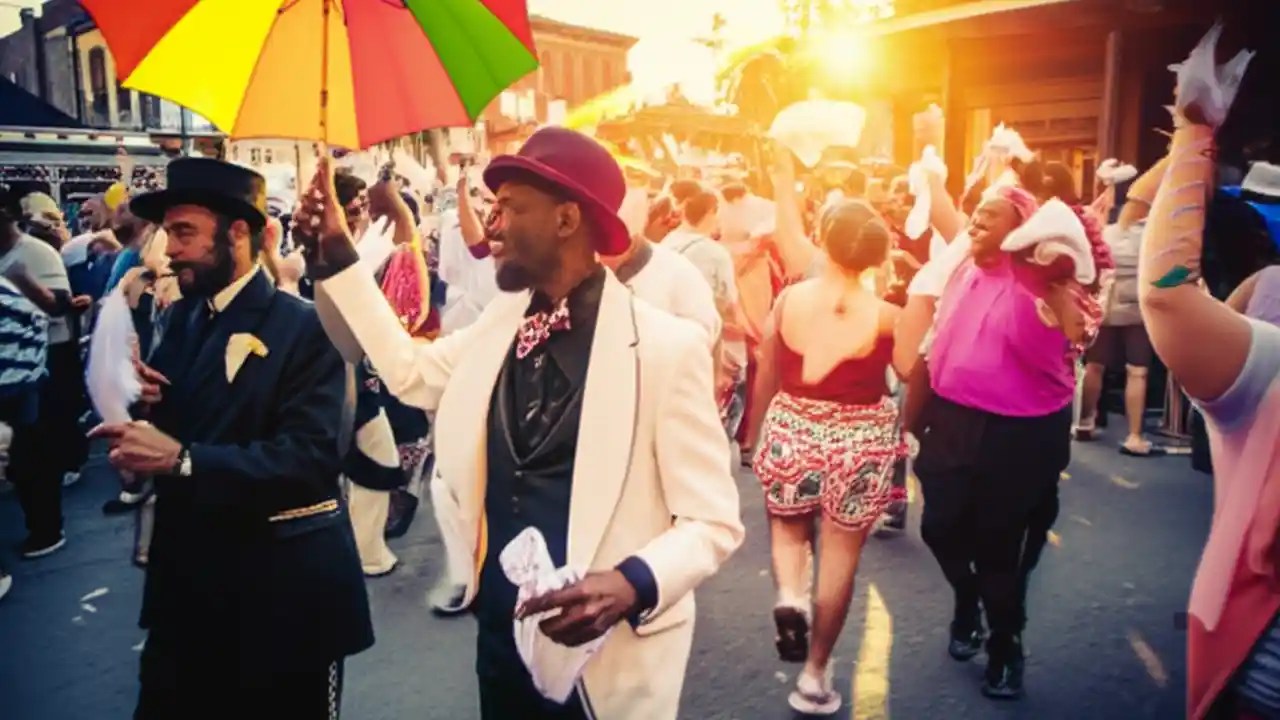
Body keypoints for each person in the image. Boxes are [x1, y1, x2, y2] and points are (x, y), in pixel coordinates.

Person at [301, 127, 744, 720]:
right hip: (501, 642)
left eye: (509, 208)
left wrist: (634, 581)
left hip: (608, 666)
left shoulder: (665, 349)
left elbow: (713, 521)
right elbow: (409, 371)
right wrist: (337, 251)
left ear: (566, 220)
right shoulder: (498, 324)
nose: (492, 227)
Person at [90, 158, 373, 718]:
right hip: (185, 601)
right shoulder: (177, 321)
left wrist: (183, 460)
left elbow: (312, 458)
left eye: (184, 232)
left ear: (238, 233)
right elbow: (166, 443)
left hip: (282, 606)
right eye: (169, 232)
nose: (169, 249)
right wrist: (137, 433)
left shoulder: (308, 326)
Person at [745, 199, 906, 714]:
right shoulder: (887, 316)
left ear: (825, 240)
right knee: (840, 555)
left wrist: (754, 435)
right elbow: (907, 373)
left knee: (788, 527)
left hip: (794, 427)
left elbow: (767, 369)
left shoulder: (789, 300)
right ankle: (815, 676)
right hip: (859, 442)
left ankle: (790, 594)